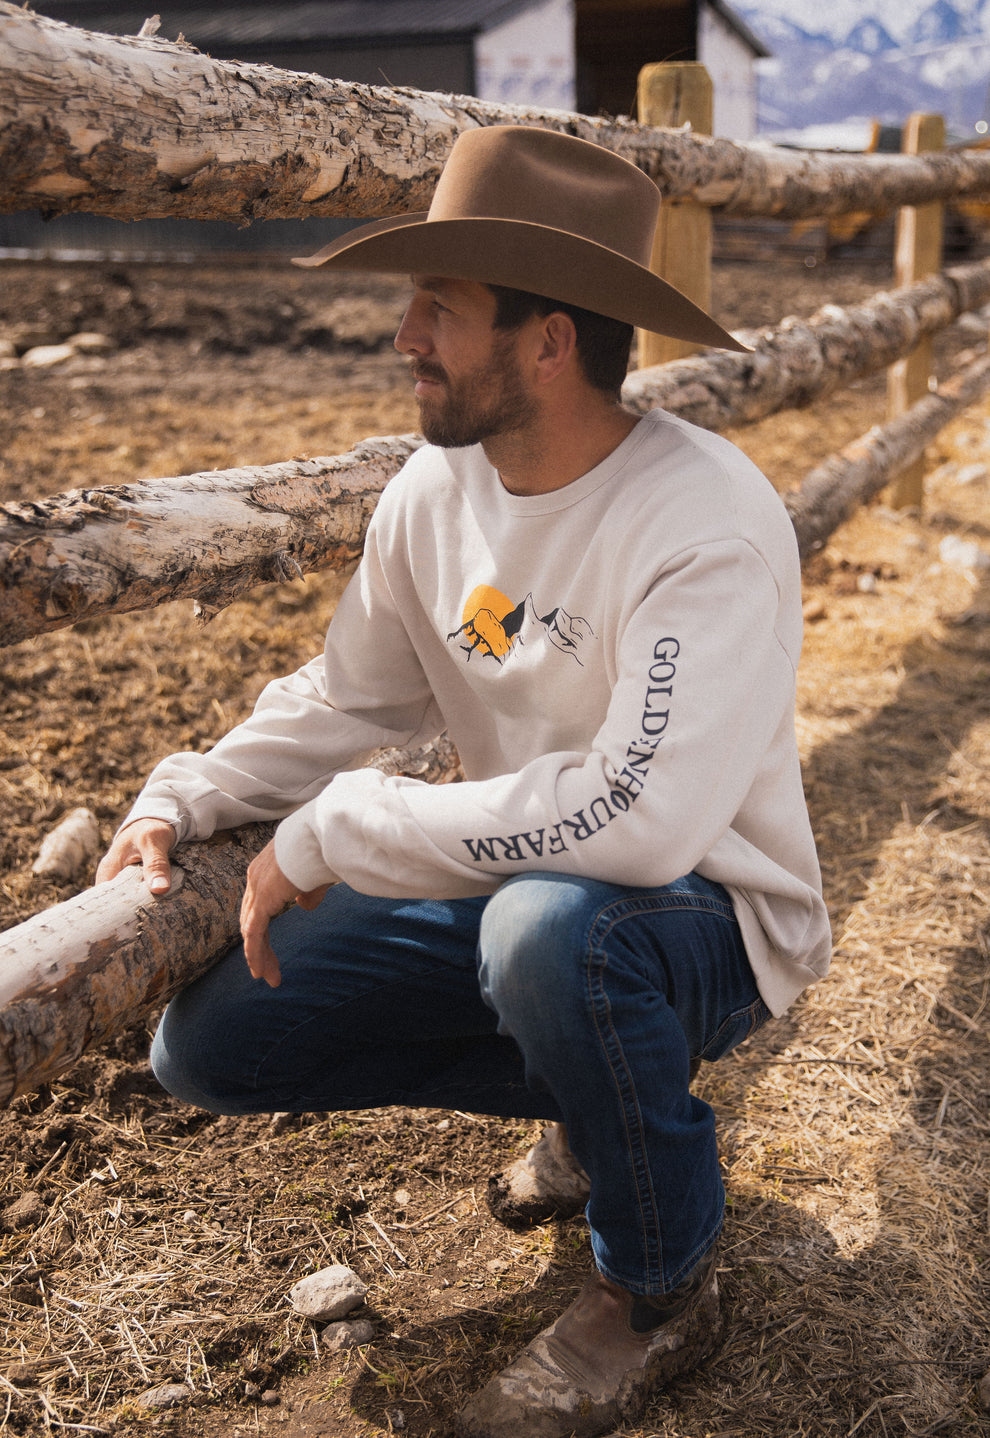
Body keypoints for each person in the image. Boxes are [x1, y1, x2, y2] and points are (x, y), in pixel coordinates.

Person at [96, 125, 831, 1438]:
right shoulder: (434, 494)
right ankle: (599, 1108)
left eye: (440, 303)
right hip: (520, 889)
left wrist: (343, 829)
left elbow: (643, 817)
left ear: (546, 338)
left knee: (546, 933)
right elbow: (348, 695)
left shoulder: (703, 521)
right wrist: (184, 792)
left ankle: (656, 1280)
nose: (403, 333)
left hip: (697, 912)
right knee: (209, 1044)